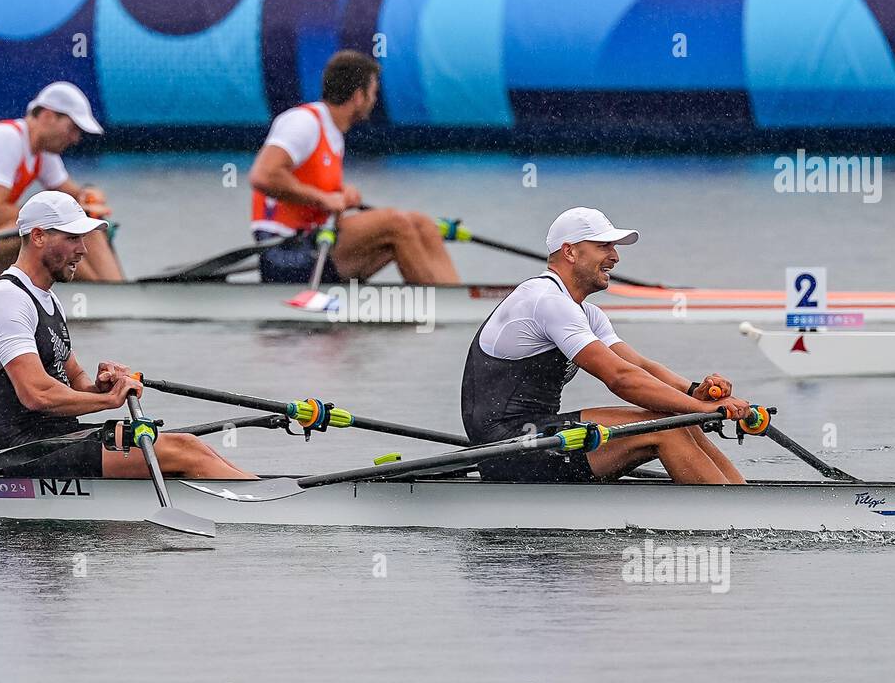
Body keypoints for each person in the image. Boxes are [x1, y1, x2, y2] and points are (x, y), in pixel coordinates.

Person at [0, 191, 252, 480]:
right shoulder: (5, 298)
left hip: (63, 440)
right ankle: (265, 509)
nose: (83, 250)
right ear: (38, 236)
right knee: (184, 451)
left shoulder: (48, 300)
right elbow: (36, 394)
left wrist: (100, 389)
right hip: (27, 452)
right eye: (72, 238)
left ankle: (264, 493)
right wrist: (110, 401)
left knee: (191, 446)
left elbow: (74, 377)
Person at [461, 207, 751, 484]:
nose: (615, 257)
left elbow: (639, 367)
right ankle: (734, 521)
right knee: (669, 430)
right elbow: (621, 379)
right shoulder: (546, 301)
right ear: (570, 251)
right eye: (604, 246)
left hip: (541, 432)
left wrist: (694, 392)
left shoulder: (586, 313)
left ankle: (744, 503)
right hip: (508, 447)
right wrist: (701, 407)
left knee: (678, 419)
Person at [248, 50, 459, 285]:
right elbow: (262, 176)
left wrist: (339, 194)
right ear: (358, 96)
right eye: (373, 93)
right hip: (283, 251)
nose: (375, 100)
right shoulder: (304, 123)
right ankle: (440, 304)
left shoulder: (334, 132)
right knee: (396, 222)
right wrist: (324, 199)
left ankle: (458, 300)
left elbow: (307, 190)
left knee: (421, 223)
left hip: (314, 242)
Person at [0, 82, 123, 281]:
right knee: (53, 230)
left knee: (86, 223)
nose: (75, 139)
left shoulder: (43, 154)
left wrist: (89, 194)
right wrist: (58, 216)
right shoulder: (7, 138)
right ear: (48, 116)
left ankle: (118, 293)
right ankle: (100, 295)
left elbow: (77, 197)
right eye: (72, 128)